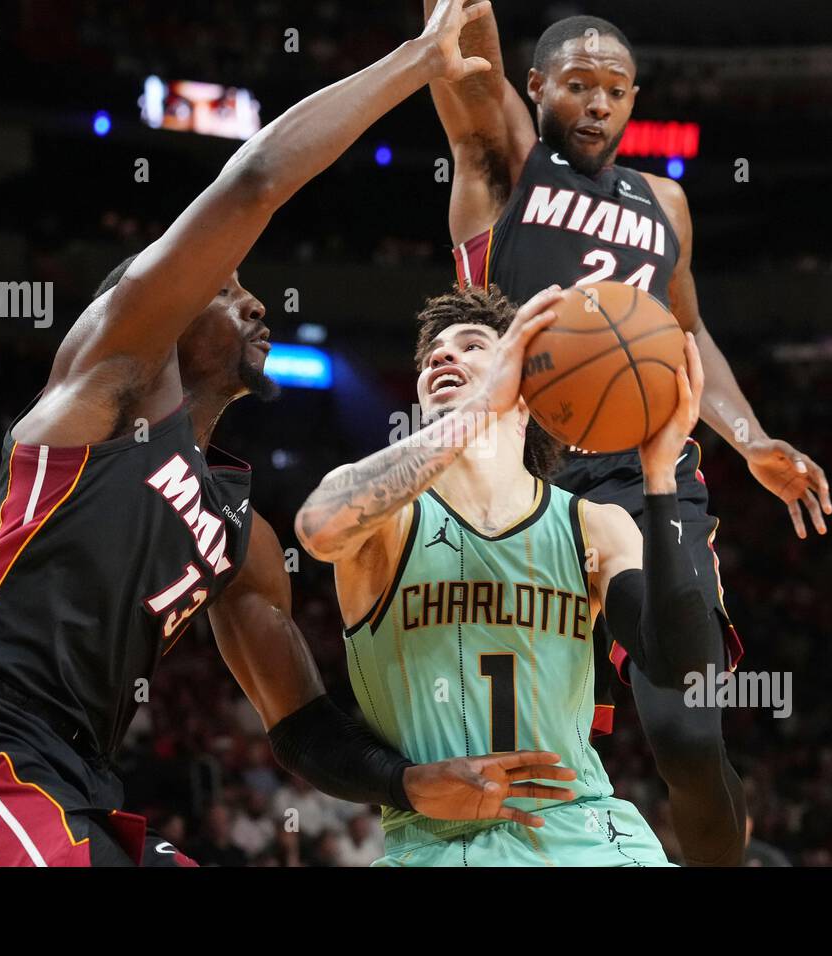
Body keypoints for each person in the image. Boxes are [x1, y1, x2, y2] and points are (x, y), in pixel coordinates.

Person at [0, 0, 571, 867]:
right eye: (230, 287)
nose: (259, 302)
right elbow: (256, 181)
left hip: (74, 776)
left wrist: (410, 784)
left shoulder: (242, 534)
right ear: (163, 306)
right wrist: (419, 60)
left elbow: (303, 725)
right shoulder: (106, 386)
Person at [424, 4, 832, 865]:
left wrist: (751, 437)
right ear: (535, 88)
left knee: (686, 735)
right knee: (513, 748)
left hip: (642, 475)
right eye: (577, 85)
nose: (598, 104)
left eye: (615, 89)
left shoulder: (667, 203)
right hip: (516, 482)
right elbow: (458, 47)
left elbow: (689, 339)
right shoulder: (502, 166)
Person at [295, 283, 715, 866]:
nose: (444, 356)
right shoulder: (391, 520)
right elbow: (318, 528)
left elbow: (681, 663)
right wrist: (479, 408)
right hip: (437, 841)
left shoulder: (594, 525)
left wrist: (661, 479)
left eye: (473, 346)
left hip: (590, 832)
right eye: (433, 354)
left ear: (530, 384)